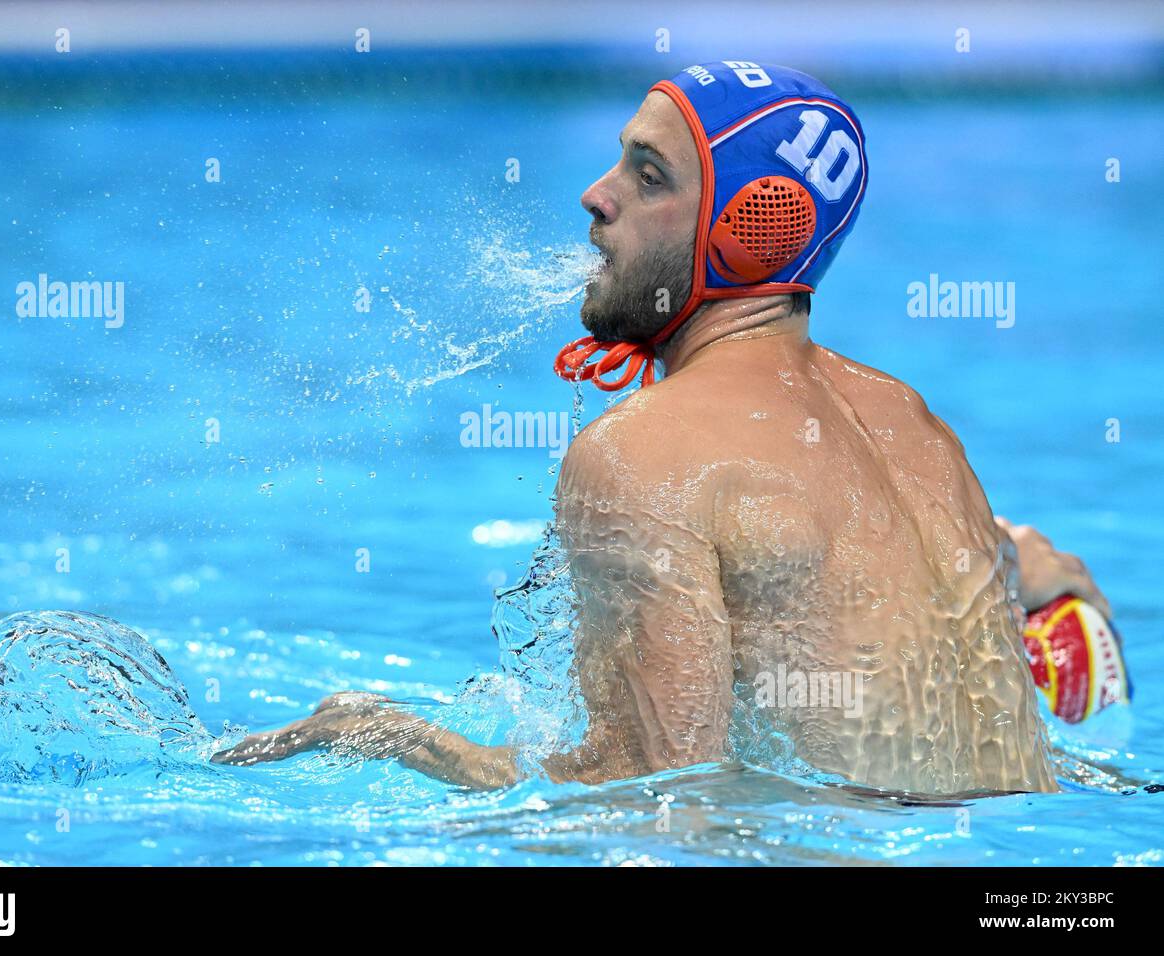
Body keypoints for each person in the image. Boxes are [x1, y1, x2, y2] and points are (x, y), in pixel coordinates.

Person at [211, 62, 1112, 796]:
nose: (595, 197)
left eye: (649, 176)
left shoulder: (644, 452)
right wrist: (1027, 583)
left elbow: (647, 797)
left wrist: (385, 733)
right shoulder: (913, 423)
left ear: (749, 230)